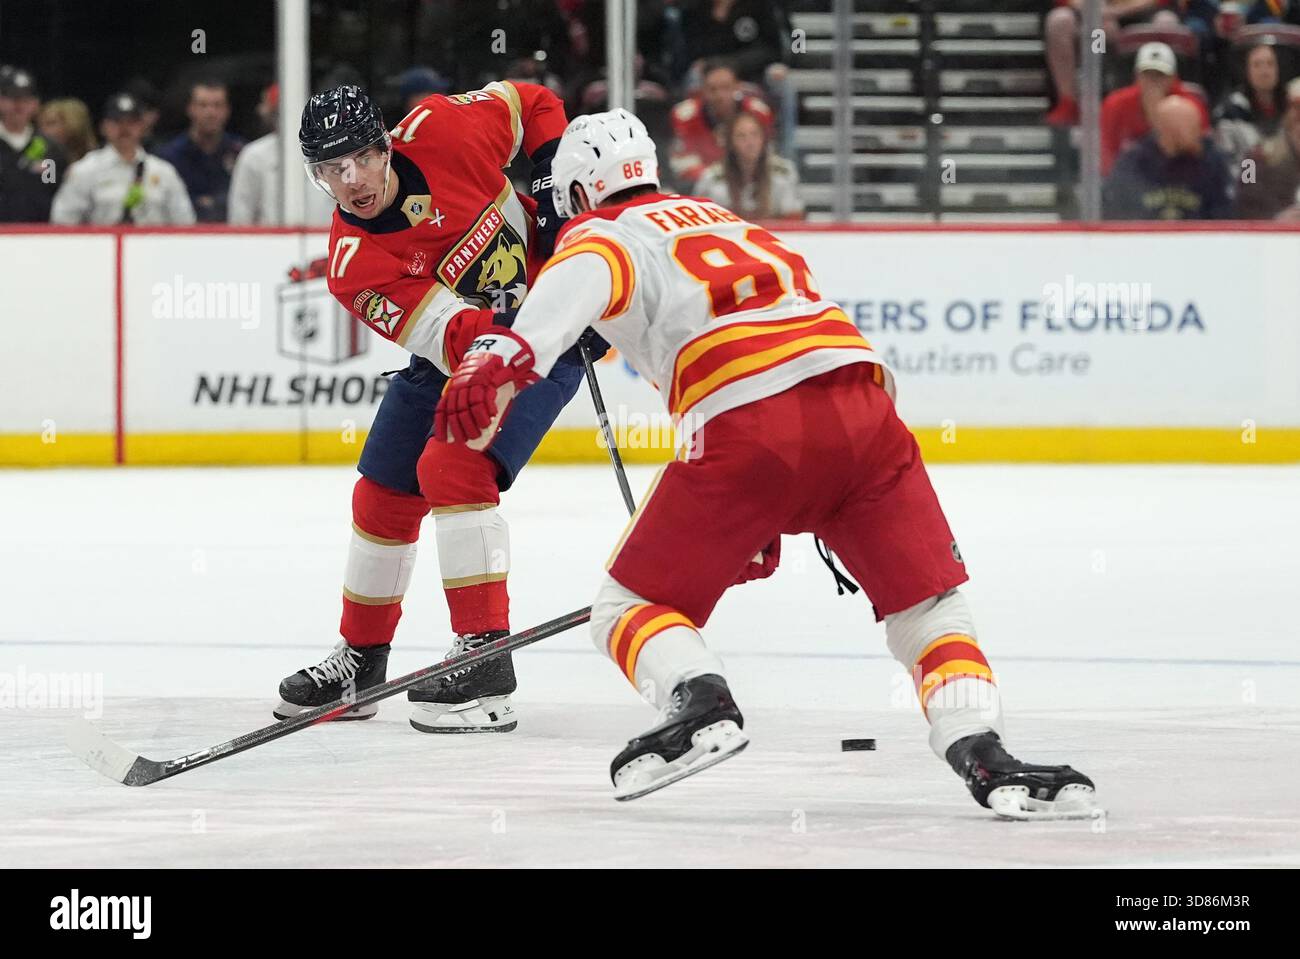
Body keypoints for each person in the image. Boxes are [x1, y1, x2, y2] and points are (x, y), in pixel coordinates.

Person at [432, 109, 1099, 818]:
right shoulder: (735, 223)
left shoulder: (601, 233)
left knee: (625, 609)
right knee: (928, 607)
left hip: (749, 424)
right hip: (868, 416)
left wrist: (495, 360)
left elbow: (569, 299)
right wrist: (774, 504)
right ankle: (982, 750)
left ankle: (699, 699)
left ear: (577, 194)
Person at [274, 81, 600, 734]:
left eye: (362, 157)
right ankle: (364, 660)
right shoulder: (354, 261)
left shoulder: (447, 128)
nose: (352, 179)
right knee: (384, 487)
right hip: (469, 345)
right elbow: (454, 336)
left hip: (555, 332)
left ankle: (486, 656)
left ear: (386, 144)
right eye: (330, 170)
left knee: (456, 468)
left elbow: (536, 103)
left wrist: (548, 184)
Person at [50, 92, 194, 225]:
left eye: (132, 122)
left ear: (142, 126)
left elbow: (185, 222)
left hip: (153, 249)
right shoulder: (85, 171)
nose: (124, 129)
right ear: (104, 126)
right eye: (117, 122)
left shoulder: (164, 172)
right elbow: (63, 222)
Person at [1045, 0, 1183, 126]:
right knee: (1061, 21)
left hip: (1138, 10)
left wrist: (1119, 10)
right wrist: (1095, 10)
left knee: (1166, 22)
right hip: (1093, 14)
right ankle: (1070, 102)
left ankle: (1162, 101)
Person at [1104, 95, 1234, 218]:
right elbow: (1117, 209)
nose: (1199, 134)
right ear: (1164, 129)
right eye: (1187, 128)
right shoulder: (1135, 161)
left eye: (1197, 127)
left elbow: (1224, 212)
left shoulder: (1212, 161)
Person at [227, 84, 334, 226]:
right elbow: (240, 219)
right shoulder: (254, 155)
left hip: (326, 238)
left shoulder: (333, 149)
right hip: (269, 243)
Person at [1100, 42, 1211, 176]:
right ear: (1137, 76)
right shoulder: (1115, 104)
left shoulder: (1190, 107)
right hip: (1128, 181)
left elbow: (1202, 155)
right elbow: (1106, 153)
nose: (1153, 81)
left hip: (1179, 180)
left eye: (1160, 75)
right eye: (1147, 74)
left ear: (1173, 78)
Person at [669, 60, 773, 188]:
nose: (719, 95)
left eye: (726, 87)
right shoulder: (685, 115)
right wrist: (719, 177)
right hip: (701, 186)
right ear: (702, 89)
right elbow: (683, 165)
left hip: (750, 184)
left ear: (738, 87)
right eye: (712, 89)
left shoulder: (758, 112)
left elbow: (766, 158)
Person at [157, 79, 245, 222]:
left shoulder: (242, 153)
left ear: (227, 110)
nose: (211, 112)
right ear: (190, 109)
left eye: (217, 105)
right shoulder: (169, 156)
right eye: (203, 105)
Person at [693, 110, 803, 218]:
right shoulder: (712, 178)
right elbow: (699, 218)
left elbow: (793, 217)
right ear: (730, 142)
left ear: (764, 139)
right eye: (741, 136)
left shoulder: (784, 172)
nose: (750, 142)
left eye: (755, 134)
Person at [0, 68, 67, 222]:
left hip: (38, 236)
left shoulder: (51, 149)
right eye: (12, 97)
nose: (19, 105)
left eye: (25, 99)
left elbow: (55, 192)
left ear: (36, 103)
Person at [1214, 40, 1288, 168]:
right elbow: (1227, 162)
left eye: (1270, 64)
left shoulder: (1292, 107)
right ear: (1247, 71)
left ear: (1278, 69)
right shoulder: (1230, 111)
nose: (1264, 71)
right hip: (1248, 179)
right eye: (1257, 65)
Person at [1237, 76, 1300, 218]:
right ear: (1287, 110)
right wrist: (1276, 218)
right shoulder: (1253, 158)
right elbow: (1245, 200)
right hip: (1271, 235)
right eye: (1297, 107)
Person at [37, 98, 96, 164]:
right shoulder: (37, 150)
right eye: (40, 125)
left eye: (51, 123)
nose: (43, 130)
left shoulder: (100, 159)